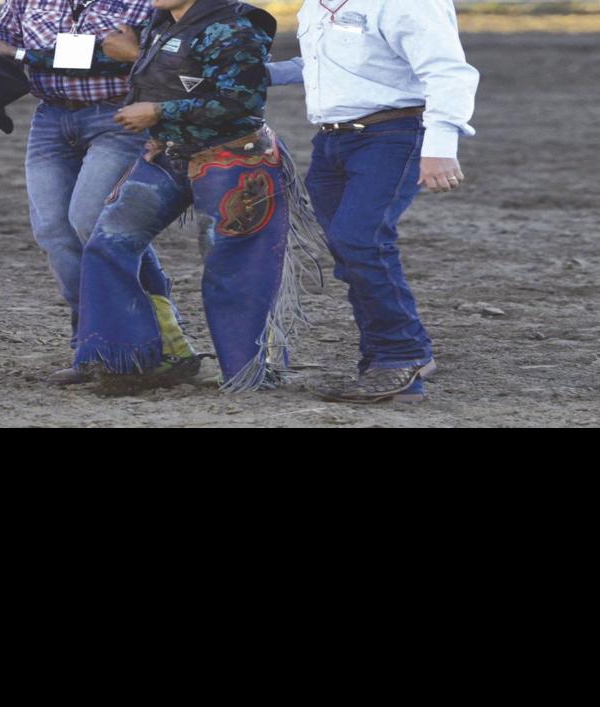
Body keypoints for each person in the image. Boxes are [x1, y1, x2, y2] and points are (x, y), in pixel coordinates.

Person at [68, 0, 313, 392]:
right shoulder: (162, 22)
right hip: (168, 155)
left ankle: (247, 373)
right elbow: (182, 74)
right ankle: (143, 359)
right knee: (107, 243)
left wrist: (160, 111)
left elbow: (240, 101)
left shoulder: (233, 28)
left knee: (233, 266)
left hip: (234, 160)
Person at [265, 0, 480, 404]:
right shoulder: (315, 6)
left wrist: (440, 145)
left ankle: (402, 355)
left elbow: (447, 69)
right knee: (350, 250)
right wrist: (262, 74)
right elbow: (324, 64)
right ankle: (383, 360)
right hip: (332, 143)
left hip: (392, 135)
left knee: (360, 241)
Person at [0, 0, 182, 386]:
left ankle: (159, 343)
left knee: (93, 222)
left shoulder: (143, 3)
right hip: (51, 117)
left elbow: (116, 58)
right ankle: (93, 347)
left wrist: (20, 53)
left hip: (119, 116)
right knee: (55, 232)